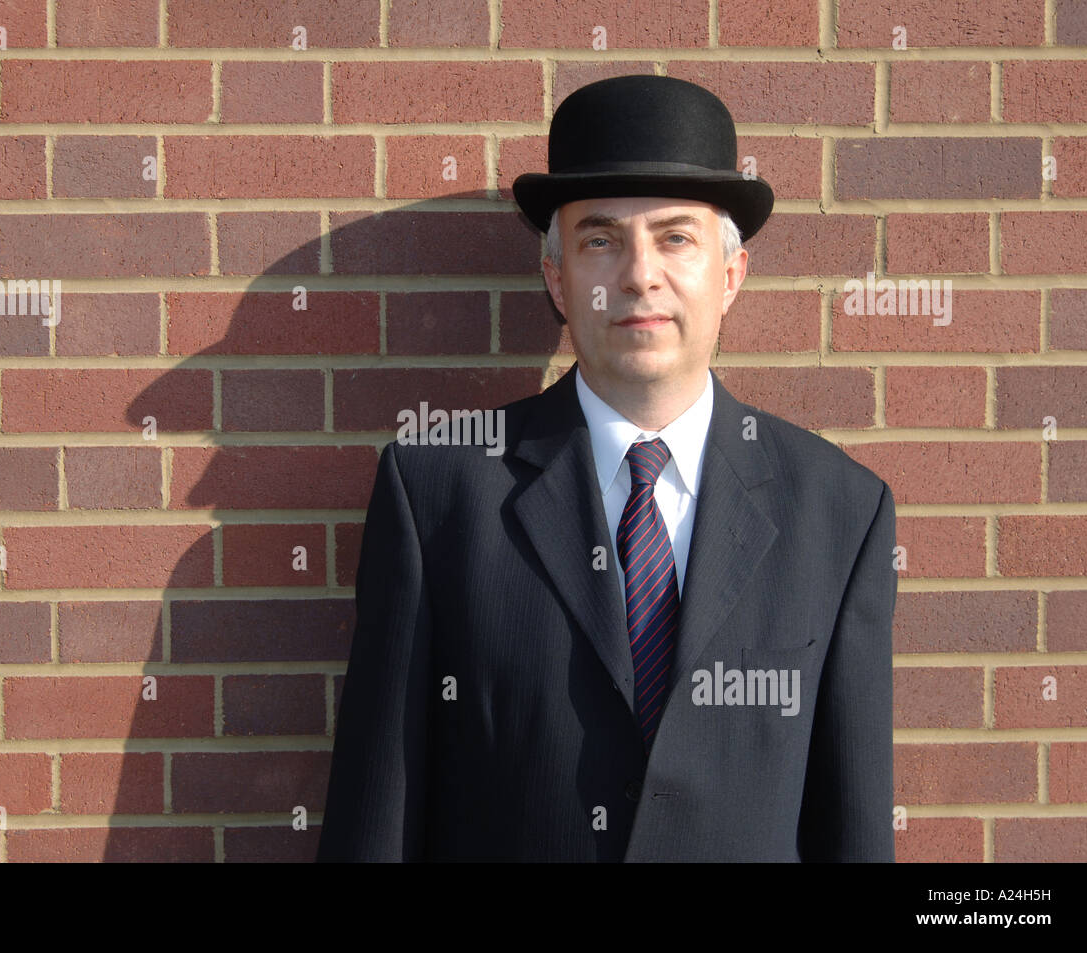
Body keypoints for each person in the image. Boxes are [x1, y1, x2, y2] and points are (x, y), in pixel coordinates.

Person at [316, 75, 897, 862]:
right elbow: (376, 817)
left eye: (675, 237)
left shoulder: (840, 512)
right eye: (599, 239)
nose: (637, 274)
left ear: (730, 276)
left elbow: (853, 828)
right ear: (556, 278)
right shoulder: (439, 495)